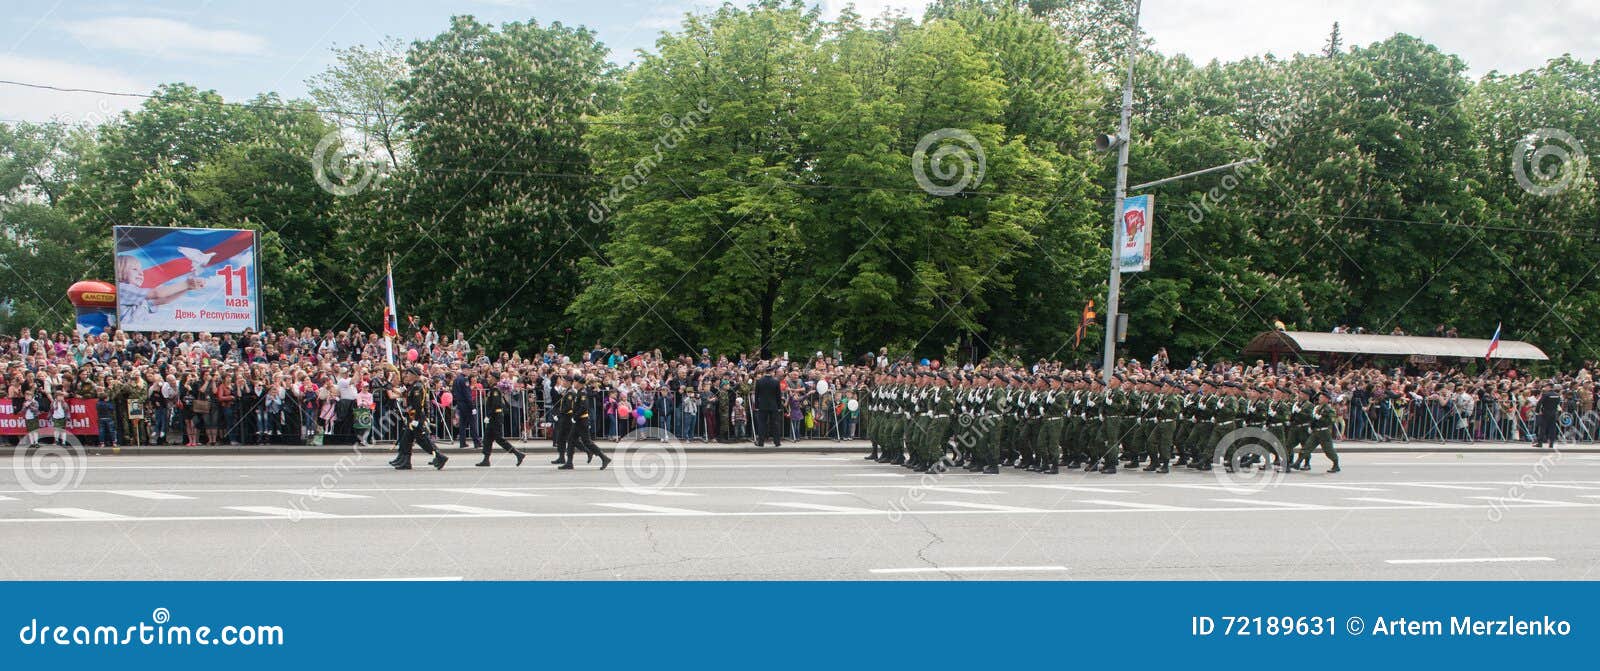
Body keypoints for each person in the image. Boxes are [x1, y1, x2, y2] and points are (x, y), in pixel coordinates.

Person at [390, 367, 447, 470]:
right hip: (411, 418)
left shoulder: (418, 387)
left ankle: (440, 457)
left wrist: (416, 419)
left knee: (423, 441)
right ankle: (405, 461)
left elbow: (418, 405)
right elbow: (403, 395)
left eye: (409, 373)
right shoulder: (412, 386)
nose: (407, 375)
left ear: (415, 375)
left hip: (416, 418)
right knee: (405, 440)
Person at [477, 376, 526, 467]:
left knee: (499, 439)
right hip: (494, 417)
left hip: (495, 418)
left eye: (490, 377)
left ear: (495, 379)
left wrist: (488, 415)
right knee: (487, 439)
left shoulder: (495, 390)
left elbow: (495, 405)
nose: (489, 378)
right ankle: (486, 459)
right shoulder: (494, 389)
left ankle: (518, 454)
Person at [753, 367, 783, 447]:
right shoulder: (776, 382)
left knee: (762, 424)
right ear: (772, 372)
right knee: (775, 424)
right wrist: (779, 406)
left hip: (762, 406)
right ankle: (777, 442)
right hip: (774, 406)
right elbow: (778, 396)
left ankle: (761, 442)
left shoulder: (759, 381)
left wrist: (756, 406)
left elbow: (756, 395)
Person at [1533, 383, 1562, 448]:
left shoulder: (1546, 394)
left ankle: (1540, 443)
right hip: (1554, 412)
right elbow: (1558, 403)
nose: (1545, 388)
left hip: (1545, 412)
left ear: (1549, 387)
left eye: (1546, 387)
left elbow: (1539, 403)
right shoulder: (1557, 395)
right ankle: (1551, 443)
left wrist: (1537, 411)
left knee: (1543, 428)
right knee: (1552, 428)